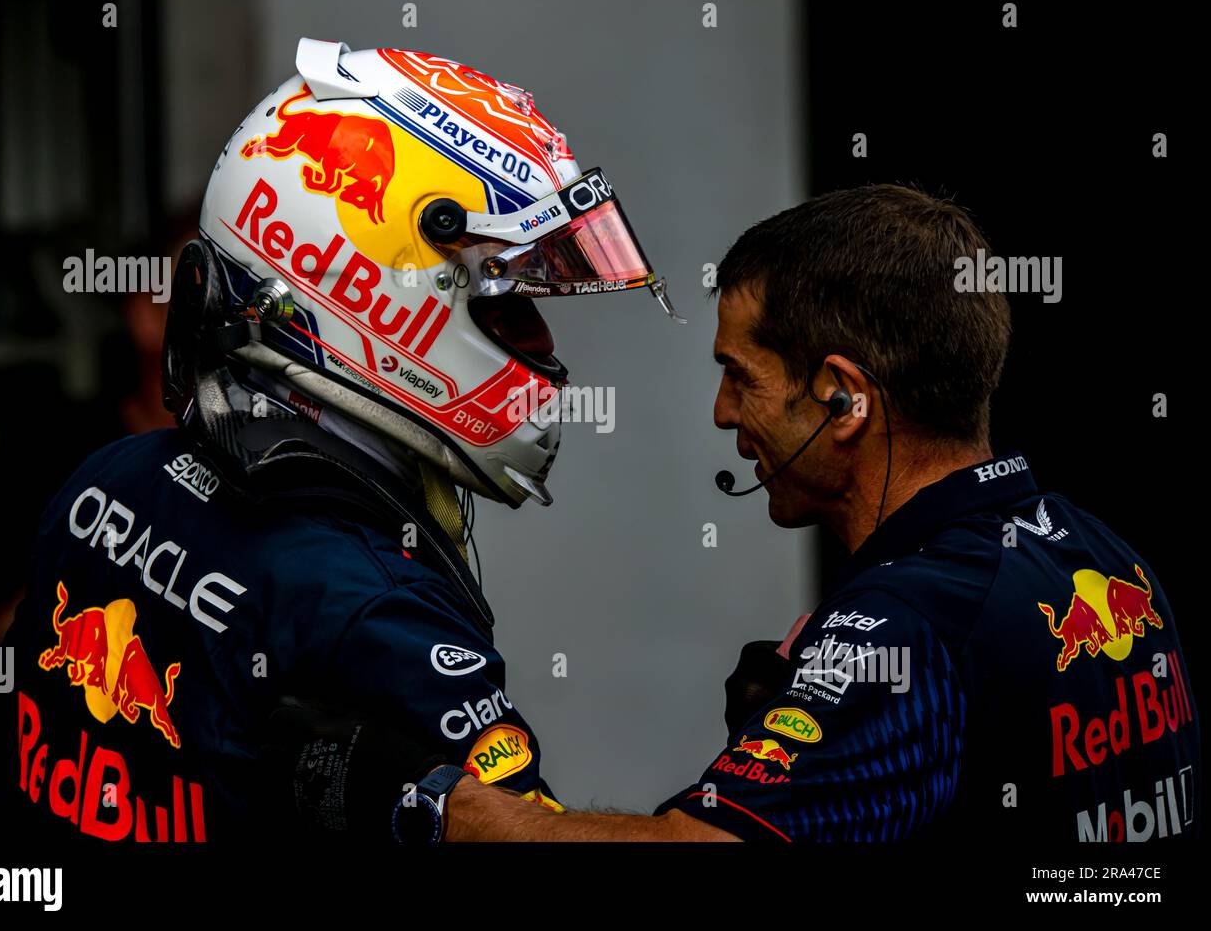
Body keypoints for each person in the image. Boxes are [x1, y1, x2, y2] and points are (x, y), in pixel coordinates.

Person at [0, 38, 679, 842]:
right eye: (504, 303)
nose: (539, 339)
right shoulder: (372, 608)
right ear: (375, 294)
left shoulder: (109, 479)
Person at [364, 184, 1199, 842]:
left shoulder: (908, 621)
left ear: (844, 399)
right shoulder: (1102, 553)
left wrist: (444, 809)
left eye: (740, 375)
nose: (724, 414)